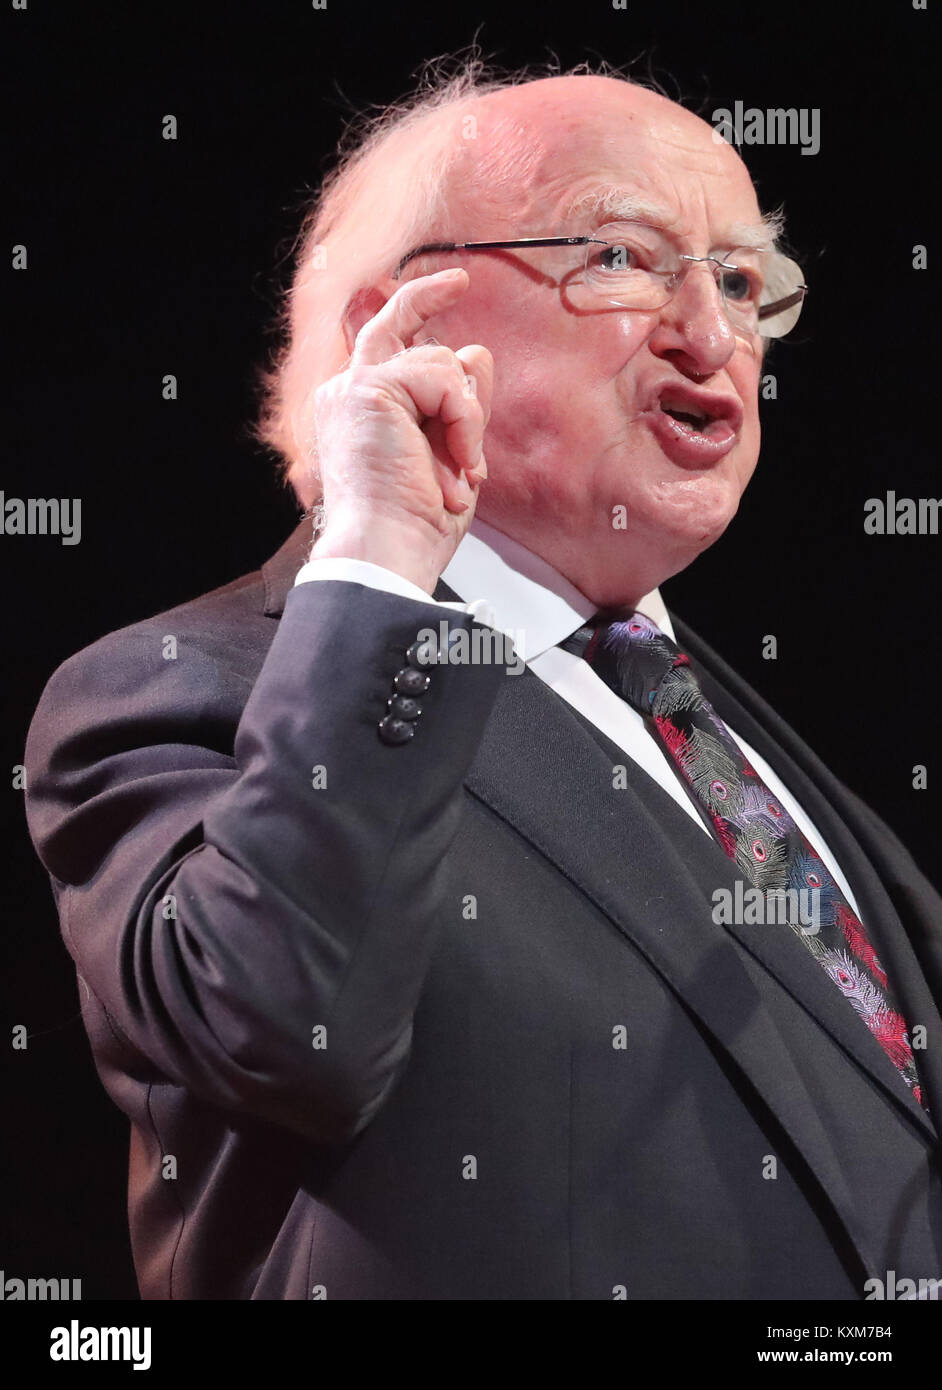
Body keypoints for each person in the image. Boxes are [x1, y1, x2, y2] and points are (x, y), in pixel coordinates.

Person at [24, 63, 942, 1300]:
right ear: (393, 327)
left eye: (738, 281)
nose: (713, 334)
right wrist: (384, 553)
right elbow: (289, 1034)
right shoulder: (186, 687)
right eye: (622, 255)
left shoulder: (724, 728)